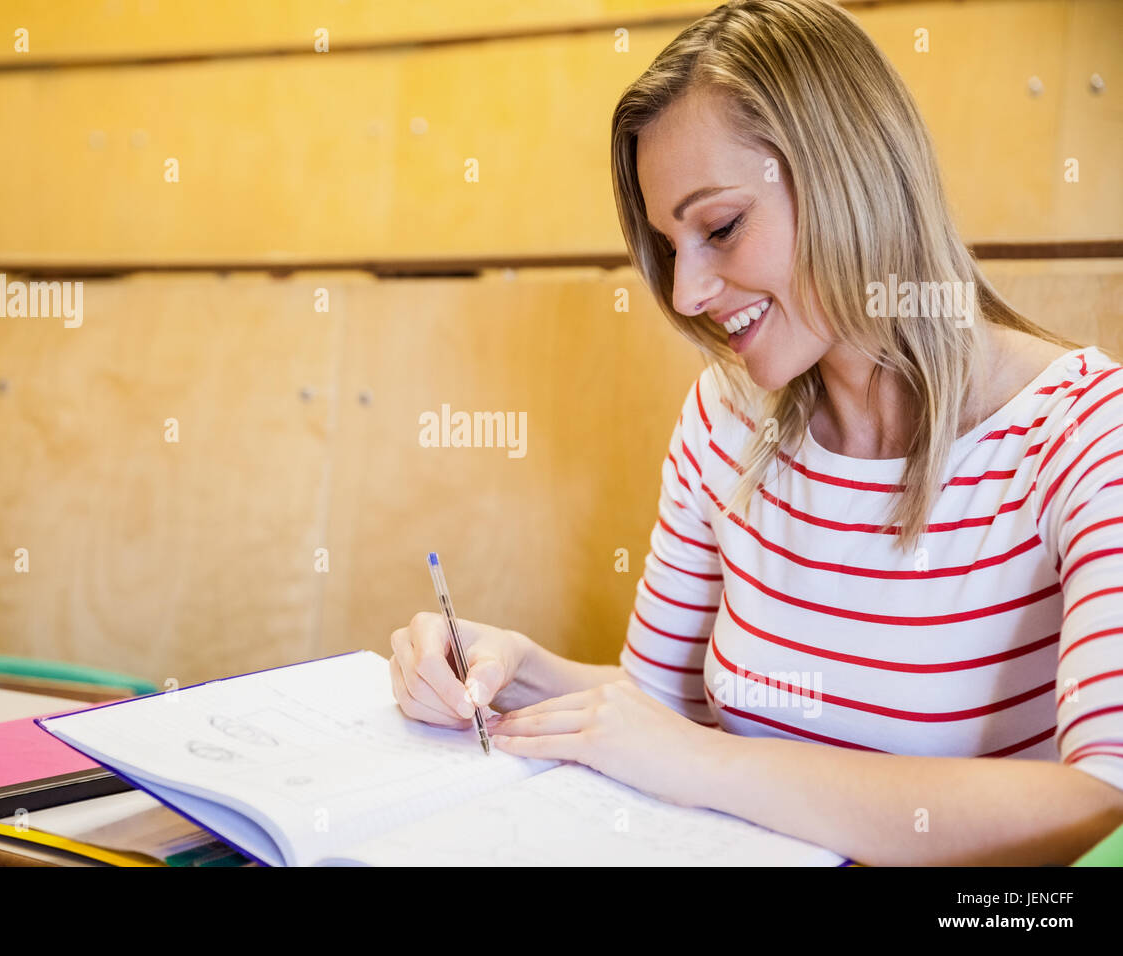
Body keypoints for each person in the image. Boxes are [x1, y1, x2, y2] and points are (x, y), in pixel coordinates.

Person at [388, 0, 1123, 865]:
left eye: (721, 227)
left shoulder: (1087, 434)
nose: (688, 293)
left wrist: (711, 764)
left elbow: (1101, 805)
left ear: (851, 173)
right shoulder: (723, 418)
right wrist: (518, 666)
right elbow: (657, 715)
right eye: (669, 247)